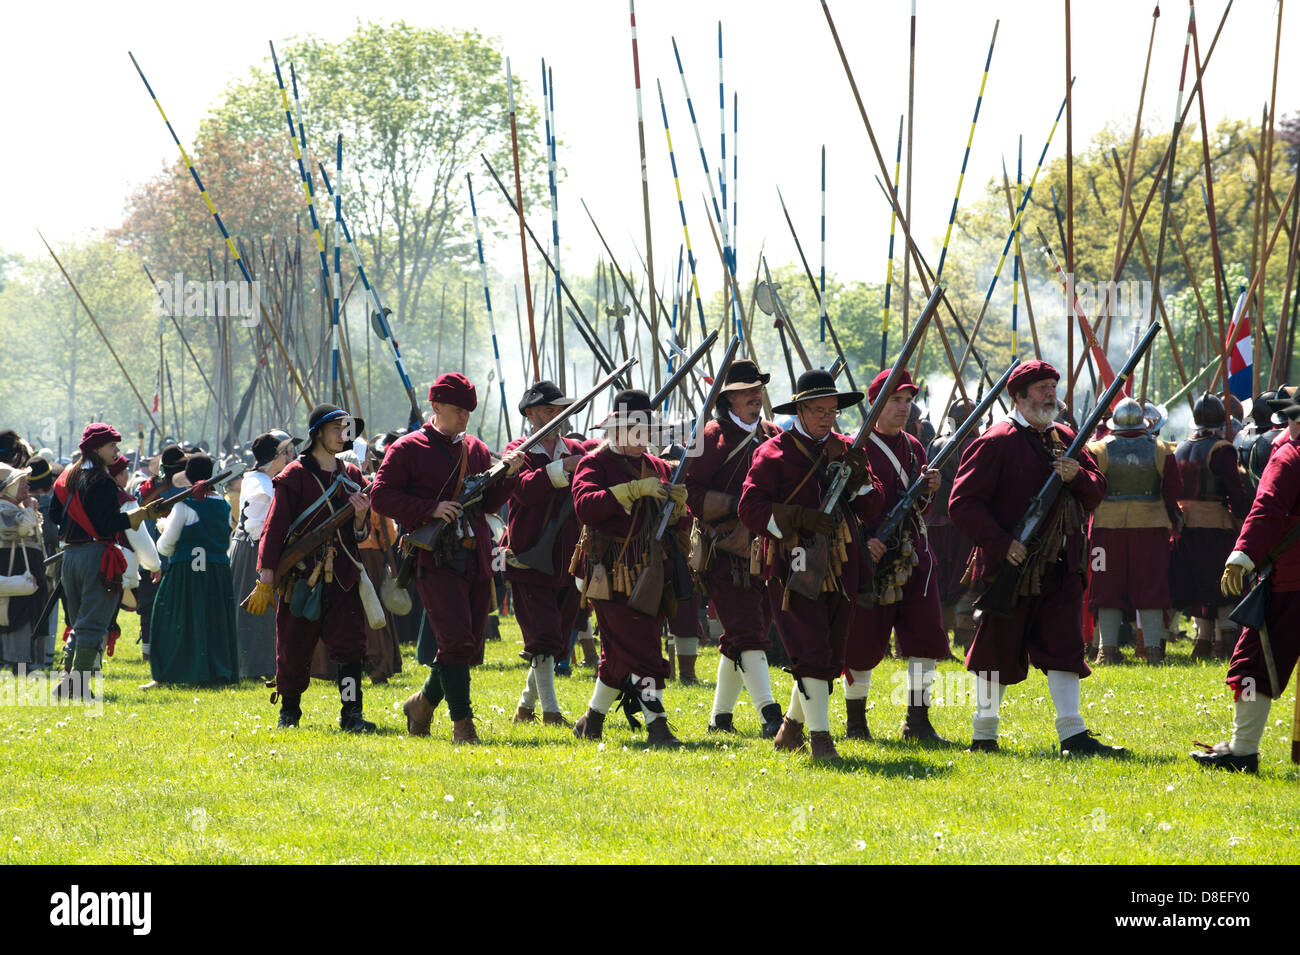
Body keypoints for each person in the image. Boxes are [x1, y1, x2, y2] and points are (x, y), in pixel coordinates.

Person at [949, 360, 1124, 756]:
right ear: (1019, 396)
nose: (1050, 394)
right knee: (995, 650)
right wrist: (1002, 543)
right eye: (1042, 387)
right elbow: (963, 504)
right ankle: (984, 734)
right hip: (1011, 564)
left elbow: (1097, 490)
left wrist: (1077, 476)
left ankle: (1073, 734)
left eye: (1052, 386)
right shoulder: (996, 441)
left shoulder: (1066, 438)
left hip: (1061, 564)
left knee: (1065, 647)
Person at [738, 369, 884, 760]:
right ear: (800, 411)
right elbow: (750, 509)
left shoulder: (848, 448)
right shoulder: (772, 453)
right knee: (812, 649)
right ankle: (820, 739)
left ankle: (790, 730)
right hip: (792, 563)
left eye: (832, 411)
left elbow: (872, 506)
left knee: (830, 651)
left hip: (841, 560)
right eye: (818, 410)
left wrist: (860, 478)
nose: (826, 418)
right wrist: (800, 518)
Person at [372, 375, 523, 743]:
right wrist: (431, 508)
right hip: (434, 558)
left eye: (468, 411)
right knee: (455, 642)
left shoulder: (475, 448)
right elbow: (381, 496)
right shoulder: (408, 448)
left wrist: (508, 475)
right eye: (458, 410)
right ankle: (462, 725)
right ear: (436, 406)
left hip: (474, 555)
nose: (464, 417)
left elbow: (488, 503)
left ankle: (422, 703)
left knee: (466, 645)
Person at [244, 405, 378, 733]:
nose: (343, 435)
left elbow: (359, 534)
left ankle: (352, 713)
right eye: (336, 428)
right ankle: (289, 713)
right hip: (301, 577)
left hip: (343, 575)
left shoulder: (353, 476)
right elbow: (274, 529)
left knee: (351, 649)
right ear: (317, 433)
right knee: (293, 647)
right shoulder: (294, 476)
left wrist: (361, 517)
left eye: (346, 429)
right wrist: (266, 576)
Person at [569, 389, 690, 746]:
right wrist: (633, 489)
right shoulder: (594, 463)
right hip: (607, 572)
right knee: (642, 649)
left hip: (651, 572)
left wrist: (680, 507)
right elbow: (585, 506)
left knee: (623, 651)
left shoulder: (659, 466)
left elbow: (676, 524)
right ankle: (657, 724)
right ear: (617, 430)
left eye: (646, 429)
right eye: (635, 429)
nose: (643, 437)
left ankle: (591, 721)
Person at [1196, 393, 1300, 772]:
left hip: (1289, 579)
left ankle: (1242, 751)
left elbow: (1266, 508)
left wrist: (1242, 556)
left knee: (1251, 667)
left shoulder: (1290, 457)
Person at [846, 368, 951, 742]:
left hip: (912, 553)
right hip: (870, 556)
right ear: (875, 402)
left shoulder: (915, 446)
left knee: (924, 635)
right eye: (895, 400)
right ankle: (856, 724)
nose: (904, 407)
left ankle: (917, 721)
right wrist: (862, 541)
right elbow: (842, 506)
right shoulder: (854, 447)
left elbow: (919, 509)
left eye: (908, 400)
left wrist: (929, 490)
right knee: (861, 639)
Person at [683, 358, 785, 737]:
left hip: (768, 549)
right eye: (747, 391)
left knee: (741, 635)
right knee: (749, 632)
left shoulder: (773, 434)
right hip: (725, 549)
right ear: (729, 398)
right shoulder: (710, 436)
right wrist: (738, 506)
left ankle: (720, 719)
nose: (755, 396)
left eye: (758, 390)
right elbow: (691, 492)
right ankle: (770, 715)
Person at [48, 424, 159, 699]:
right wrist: (140, 516)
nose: (116, 450)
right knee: (93, 624)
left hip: (70, 557)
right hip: (96, 556)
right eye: (112, 445)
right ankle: (77, 687)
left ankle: (66, 682)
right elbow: (109, 523)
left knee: (80, 622)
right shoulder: (103, 481)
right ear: (97, 449)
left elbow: (54, 515)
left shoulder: (67, 477)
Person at [501, 380, 586, 726]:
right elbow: (523, 490)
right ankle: (550, 712)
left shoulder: (575, 448)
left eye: (559, 411)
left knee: (556, 636)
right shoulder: (518, 450)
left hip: (570, 556)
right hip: (530, 554)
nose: (556, 416)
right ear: (531, 414)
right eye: (549, 411)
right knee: (544, 636)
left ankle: (525, 708)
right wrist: (563, 468)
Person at [1085, 397, 1183, 665]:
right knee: (1151, 586)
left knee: (1106, 586)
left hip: (1106, 530)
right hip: (1151, 529)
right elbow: (1173, 491)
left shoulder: (1096, 449)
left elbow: (1089, 491)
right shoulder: (1162, 450)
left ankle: (1107, 650)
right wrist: (1175, 522)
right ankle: (1152, 652)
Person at [145, 454, 239, 687]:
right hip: (217, 573)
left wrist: (163, 527)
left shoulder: (184, 505)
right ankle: (215, 672)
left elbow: (165, 546)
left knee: (172, 620)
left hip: (186, 573)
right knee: (213, 622)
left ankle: (170, 674)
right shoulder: (224, 504)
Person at [1170, 393, 1251, 659]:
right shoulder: (1222, 449)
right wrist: (1242, 517)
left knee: (1200, 584)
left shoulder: (1182, 446)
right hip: (1215, 527)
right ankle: (1224, 641)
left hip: (1187, 526)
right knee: (1221, 584)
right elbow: (1236, 492)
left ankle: (1203, 641)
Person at [230, 432, 298, 680]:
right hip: (254, 550)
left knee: (263, 611)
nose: (287, 457)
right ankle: (255, 666)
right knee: (258, 610)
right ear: (275, 457)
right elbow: (256, 527)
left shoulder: (259, 480)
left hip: (251, 548)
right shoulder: (262, 486)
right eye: (284, 453)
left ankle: (260, 663)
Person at [926, 398, 979, 651]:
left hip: (934, 523)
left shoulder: (935, 443)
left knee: (942, 582)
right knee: (960, 583)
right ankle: (959, 639)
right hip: (961, 523)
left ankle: (944, 641)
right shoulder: (974, 445)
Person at [133, 444, 189, 661]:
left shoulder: (144, 488)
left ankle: (148, 649)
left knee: (149, 608)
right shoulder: (185, 491)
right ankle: (165, 649)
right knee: (172, 608)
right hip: (173, 559)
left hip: (148, 558)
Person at [0, 462, 49, 672]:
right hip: (13, 572)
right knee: (14, 617)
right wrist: (29, 508)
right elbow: (21, 528)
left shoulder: (18, 508)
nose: (27, 487)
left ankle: (27, 663)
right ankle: (18, 663)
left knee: (29, 616)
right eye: (22, 483)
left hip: (26, 573)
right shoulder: (3, 509)